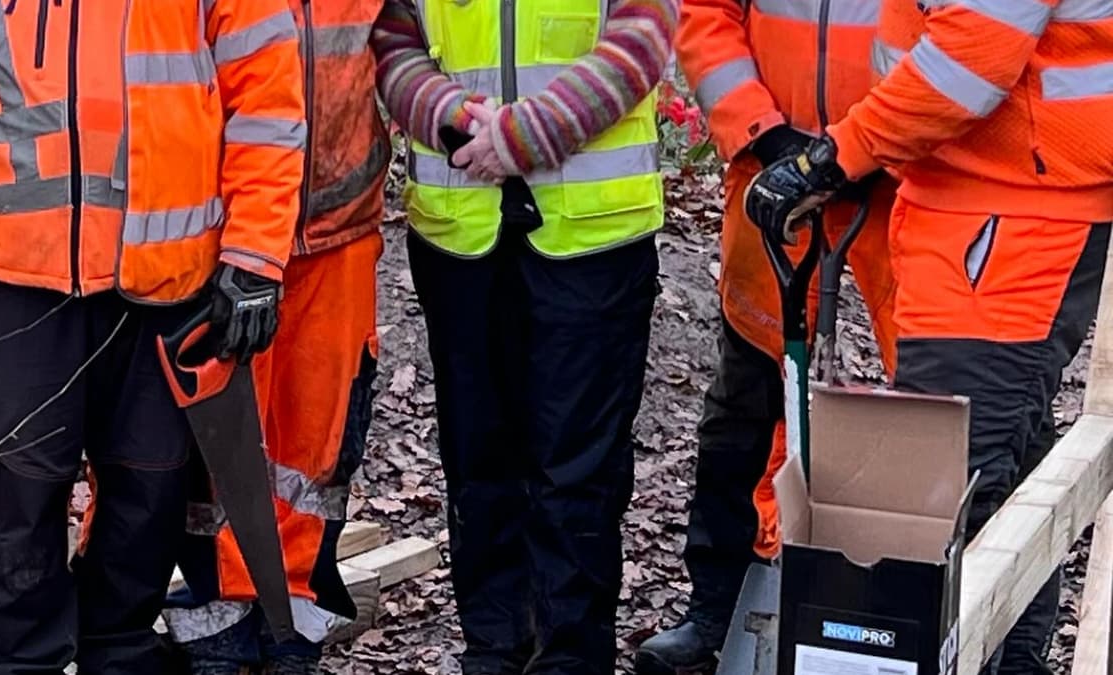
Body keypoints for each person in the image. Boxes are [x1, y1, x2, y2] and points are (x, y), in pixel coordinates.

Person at [0, 1, 305, 672]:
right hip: (17, 273)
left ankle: (116, 652)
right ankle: (19, 662)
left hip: (167, 277)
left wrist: (255, 254)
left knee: (146, 498)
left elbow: (267, 92)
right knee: (21, 502)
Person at [745, 1, 1113, 672]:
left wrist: (837, 158)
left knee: (958, 486)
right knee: (999, 476)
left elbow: (970, 59)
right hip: (979, 201)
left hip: (1014, 214)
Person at [370, 0, 675, 671]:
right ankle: (494, 647)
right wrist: (449, 112)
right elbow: (393, 36)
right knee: (478, 462)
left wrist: (527, 133)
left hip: (593, 231)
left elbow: (644, 34)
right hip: (460, 227)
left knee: (578, 473)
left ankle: (570, 654)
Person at [636, 2, 900, 673]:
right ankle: (717, 607)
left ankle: (914, 615)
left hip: (902, 183)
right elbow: (706, 15)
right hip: (773, 180)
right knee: (747, 399)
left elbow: (960, 40)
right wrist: (763, 132)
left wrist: (872, 145)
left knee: (925, 408)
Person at [161, 0, 392, 673]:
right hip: (214, 223)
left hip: (338, 217)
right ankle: (219, 604)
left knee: (317, 436)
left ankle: (290, 604)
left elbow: (406, 39)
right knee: (211, 430)